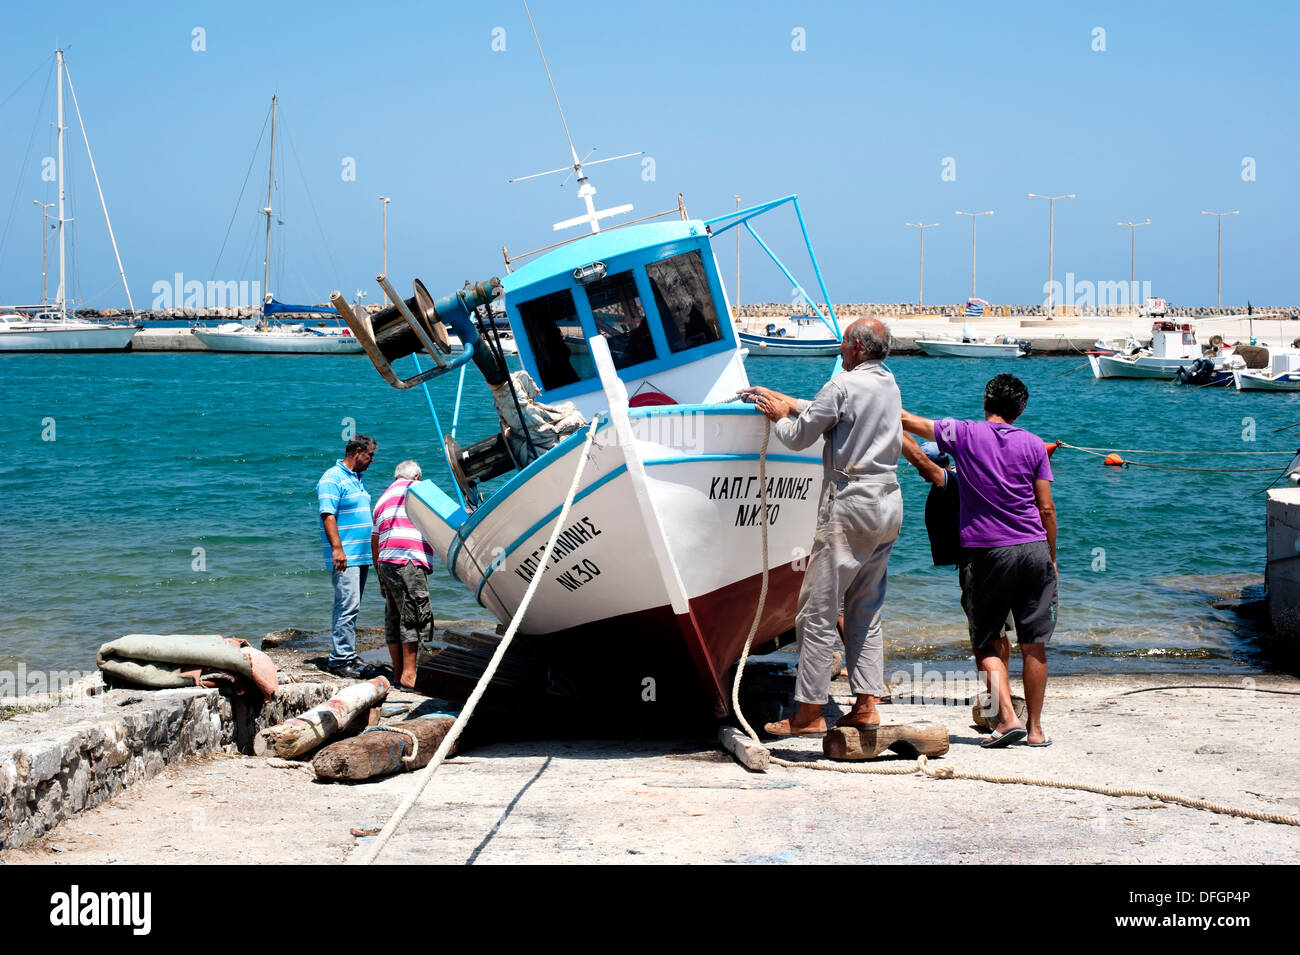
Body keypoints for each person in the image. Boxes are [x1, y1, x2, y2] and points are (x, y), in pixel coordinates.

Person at [738, 317, 909, 736]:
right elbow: (832, 412)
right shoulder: (888, 382)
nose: (840, 349)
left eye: (843, 343)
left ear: (853, 347)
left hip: (851, 504)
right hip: (888, 501)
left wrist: (778, 415)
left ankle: (809, 713)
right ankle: (867, 704)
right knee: (866, 609)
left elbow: (797, 437)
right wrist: (789, 401)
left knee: (817, 611)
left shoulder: (842, 386)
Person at [901, 374, 1057, 748]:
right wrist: (1050, 556)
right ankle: (1036, 730)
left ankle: (1006, 720)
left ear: (985, 400)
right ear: (1020, 409)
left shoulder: (965, 434)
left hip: (989, 553)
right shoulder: (1035, 444)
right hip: (1034, 547)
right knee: (1034, 644)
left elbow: (907, 420)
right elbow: (1046, 507)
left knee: (985, 641)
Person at [372, 460, 436, 689]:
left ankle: (398, 673)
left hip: (386, 562)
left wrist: (380, 574)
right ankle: (410, 674)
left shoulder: (382, 500)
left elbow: (375, 540)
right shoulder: (417, 490)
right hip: (408, 560)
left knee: (394, 616)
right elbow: (443, 513)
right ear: (416, 476)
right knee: (413, 615)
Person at [318, 434, 378, 679]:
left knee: (353, 605)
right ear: (356, 452)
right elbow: (327, 515)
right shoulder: (332, 478)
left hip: (360, 554)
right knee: (347, 605)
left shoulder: (357, 479)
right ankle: (340, 660)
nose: (372, 460)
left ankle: (348, 653)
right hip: (346, 554)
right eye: (370, 455)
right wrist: (337, 549)